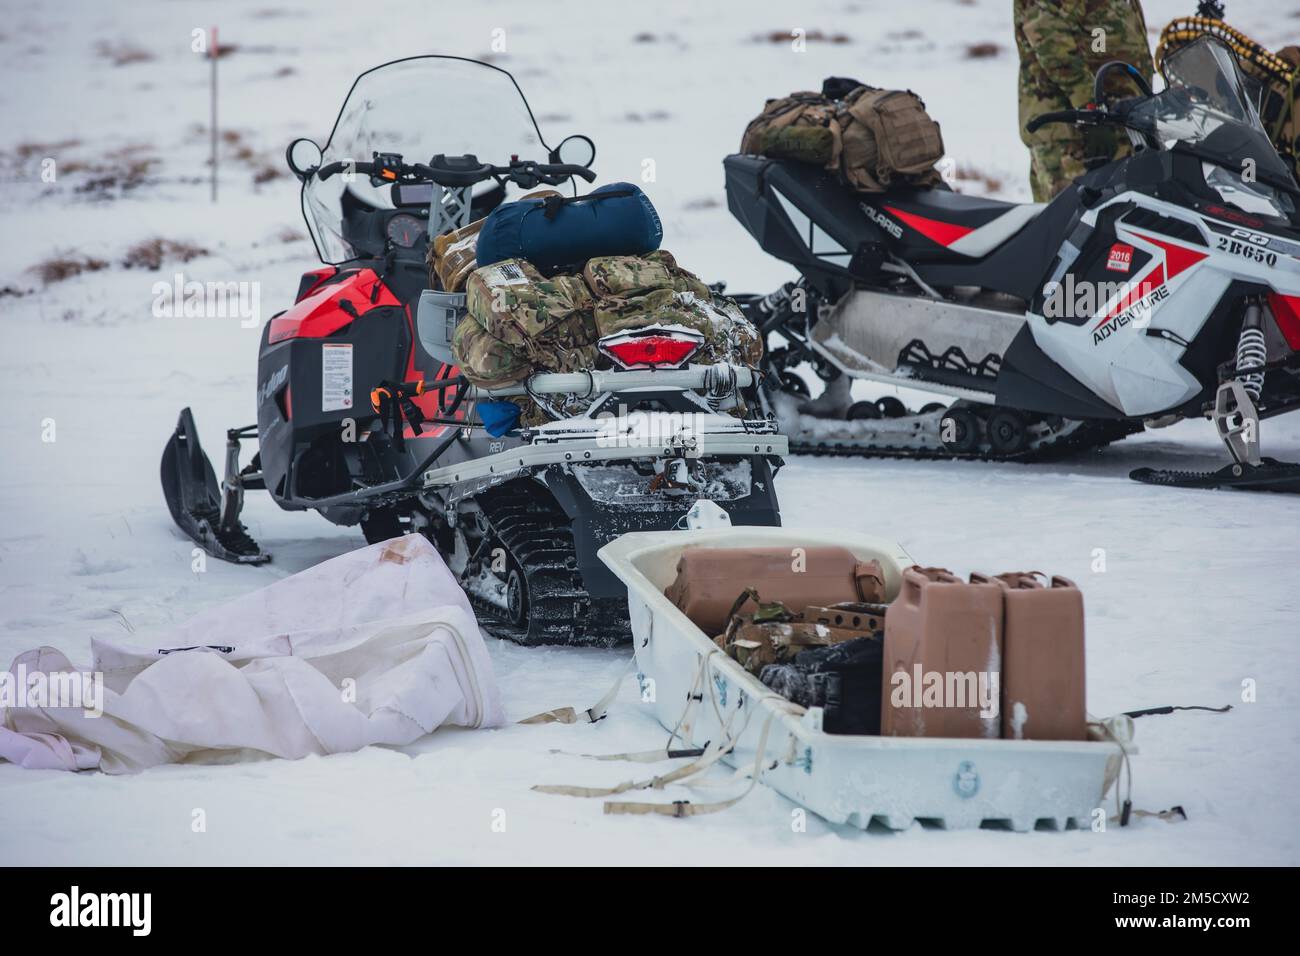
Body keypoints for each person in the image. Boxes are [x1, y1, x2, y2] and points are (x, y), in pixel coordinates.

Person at [1015, 0, 1154, 201]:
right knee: (1067, 222)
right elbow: (1053, 47)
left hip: (1120, 125)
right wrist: (1092, 108)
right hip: (1075, 135)